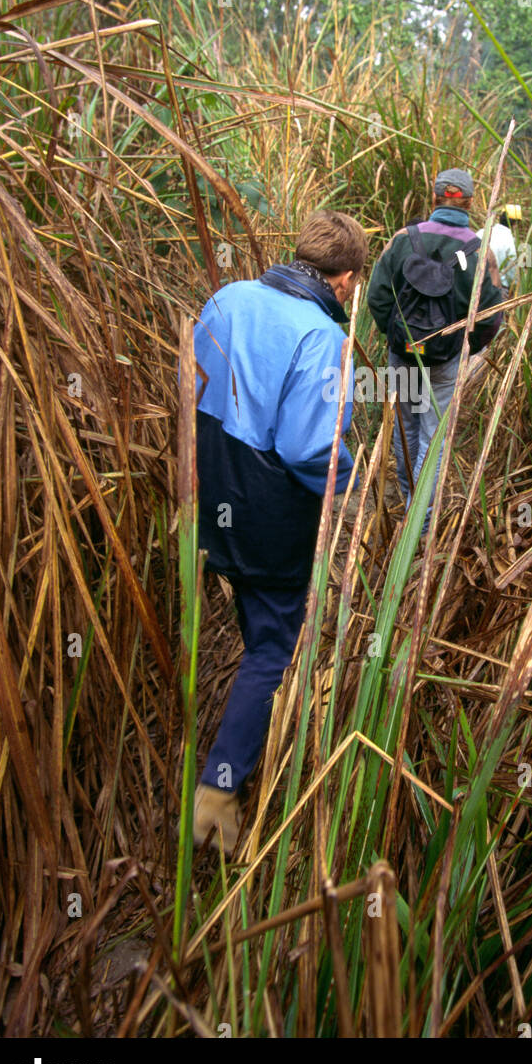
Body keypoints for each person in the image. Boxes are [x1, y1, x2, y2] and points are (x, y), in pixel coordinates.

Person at [188, 208, 368, 849]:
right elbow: (305, 449)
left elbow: (197, 386)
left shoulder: (227, 297)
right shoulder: (323, 338)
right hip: (267, 514)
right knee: (275, 648)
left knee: (253, 621)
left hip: (212, 499)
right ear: (345, 279)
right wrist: (354, 487)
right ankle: (218, 792)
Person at [366, 168, 503, 534]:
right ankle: (421, 527)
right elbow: (491, 317)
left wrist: (397, 337)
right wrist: (464, 349)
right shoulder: (480, 251)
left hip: (403, 354)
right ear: (470, 202)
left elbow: (377, 297)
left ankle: (411, 500)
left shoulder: (402, 239)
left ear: (434, 197)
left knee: (405, 428)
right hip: (447, 360)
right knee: (433, 437)